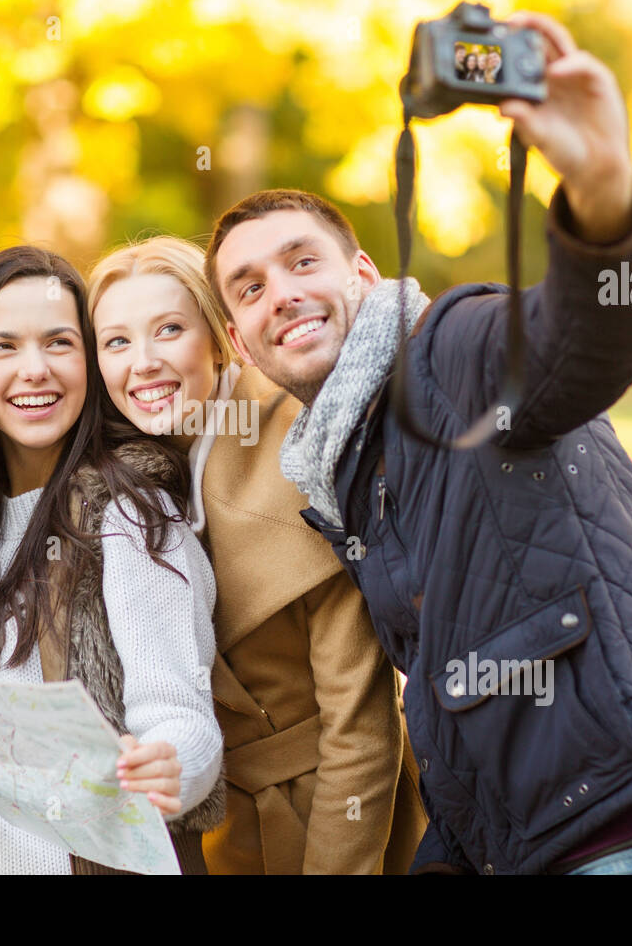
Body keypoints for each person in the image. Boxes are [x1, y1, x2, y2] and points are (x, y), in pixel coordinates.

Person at [201, 11, 632, 875]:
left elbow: (597, 331)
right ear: (241, 343)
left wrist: (602, 188)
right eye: (249, 286)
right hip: (534, 843)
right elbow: (453, 707)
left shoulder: (451, 350)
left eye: (303, 262)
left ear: (364, 274)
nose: (282, 294)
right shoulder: (349, 465)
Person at [0, 246, 225, 874]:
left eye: (59, 343)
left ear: (91, 361)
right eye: (3, 347)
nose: (34, 370)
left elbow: (179, 712)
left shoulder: (130, 516)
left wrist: (171, 762)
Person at [86, 237, 426, 873]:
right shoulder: (120, 479)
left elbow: (359, 730)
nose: (144, 363)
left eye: (169, 330)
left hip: (339, 818)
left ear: (221, 339)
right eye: (117, 342)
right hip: (219, 828)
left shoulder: (294, 455)